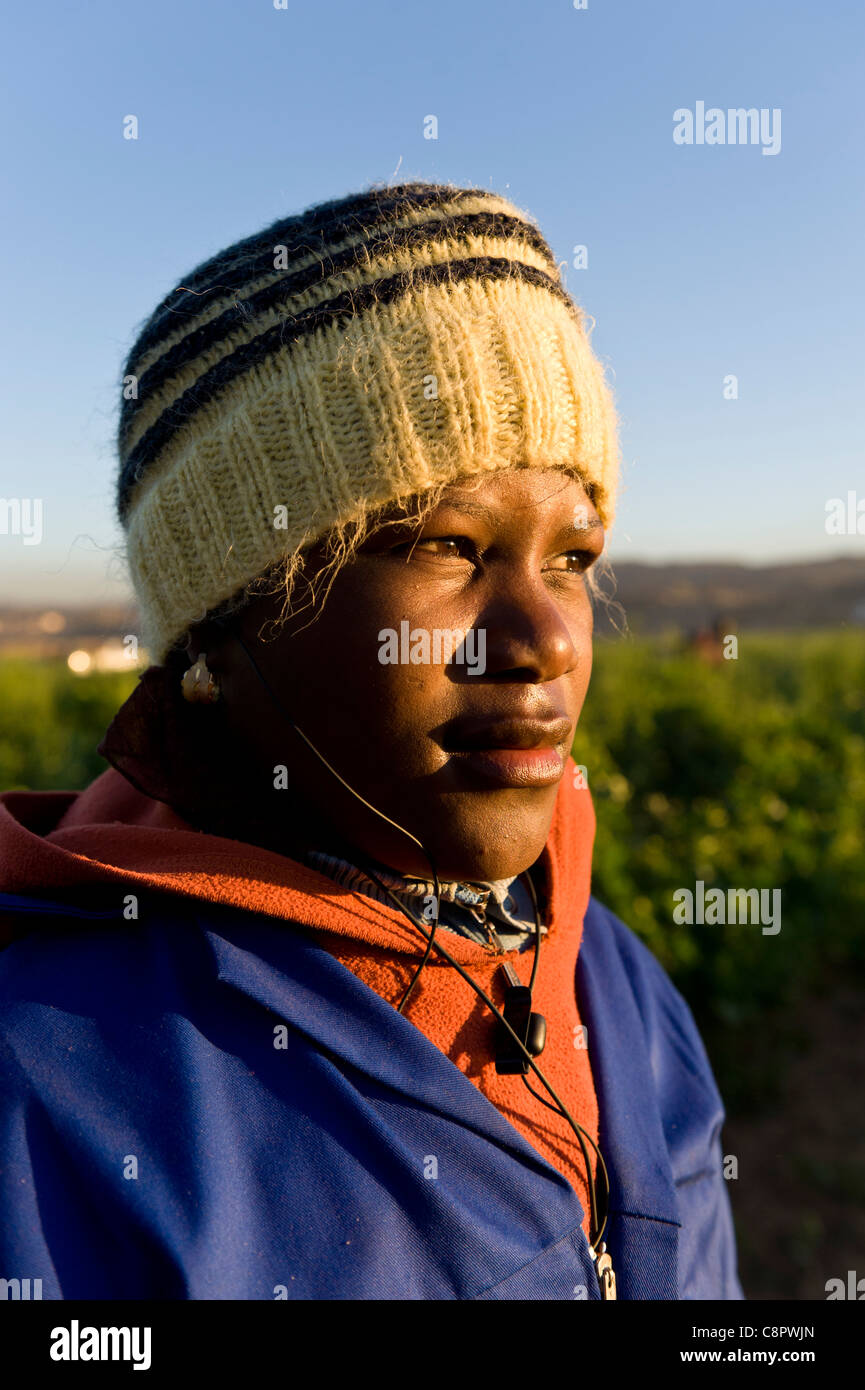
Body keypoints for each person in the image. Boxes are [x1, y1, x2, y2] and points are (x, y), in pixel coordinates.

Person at [0, 181, 742, 1300]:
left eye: (572, 558)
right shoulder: (53, 1096)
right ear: (223, 622)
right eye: (446, 545)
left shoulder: (610, 983)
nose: (544, 638)